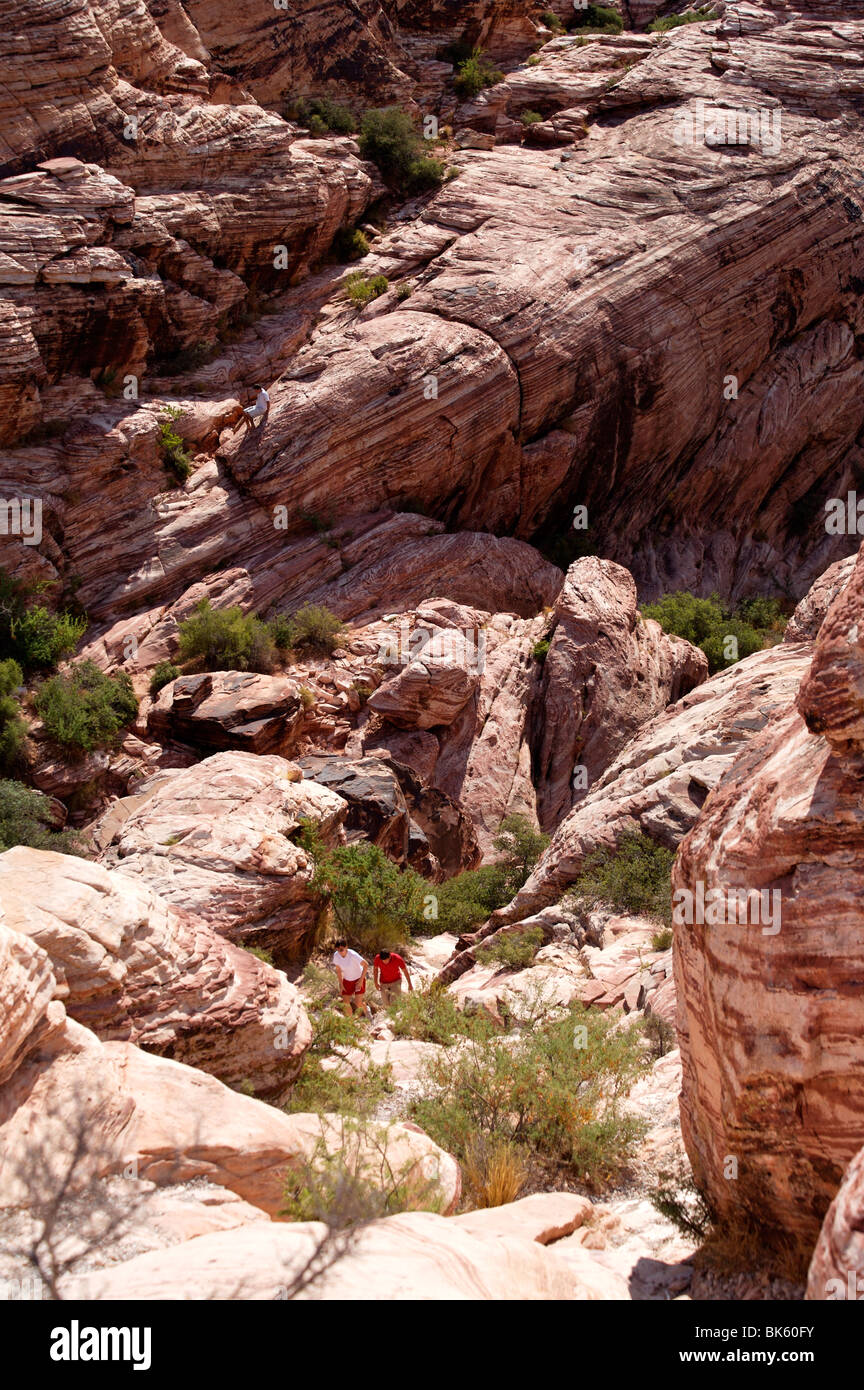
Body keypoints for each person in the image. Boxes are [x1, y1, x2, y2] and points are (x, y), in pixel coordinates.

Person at [331, 939, 369, 1018]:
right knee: (345, 1003)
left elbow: (366, 965)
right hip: (347, 980)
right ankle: (350, 1022)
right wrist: (341, 984)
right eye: (337, 950)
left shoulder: (353, 955)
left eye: (341, 950)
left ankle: (367, 1012)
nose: (340, 952)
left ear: (346, 947)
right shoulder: (336, 955)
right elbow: (338, 970)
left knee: (358, 1003)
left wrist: (361, 981)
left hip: (358, 979)